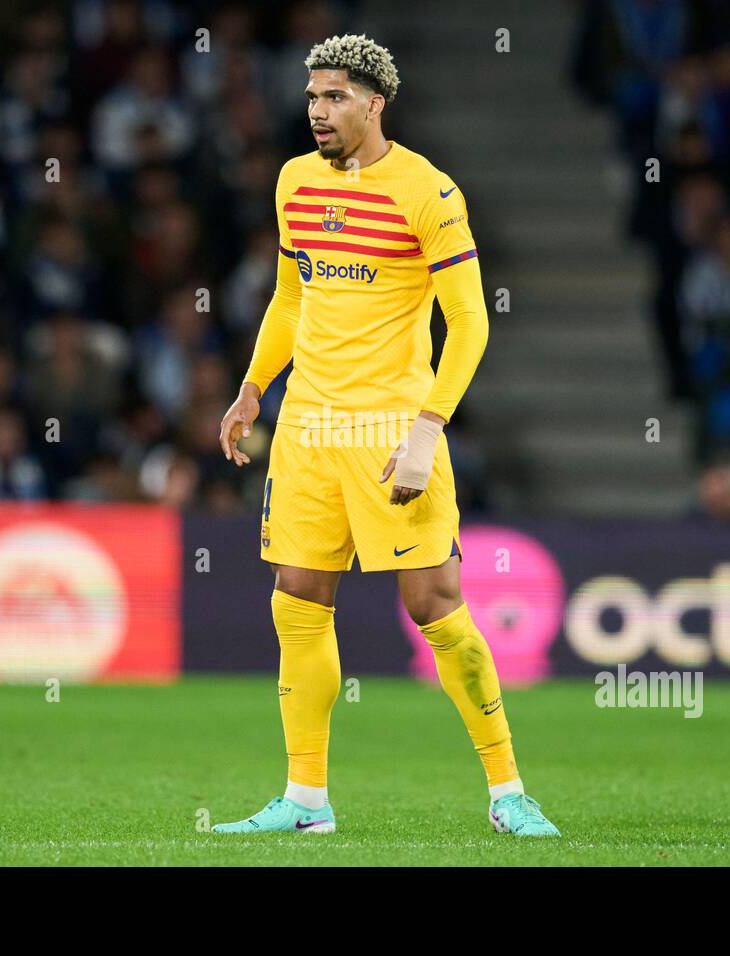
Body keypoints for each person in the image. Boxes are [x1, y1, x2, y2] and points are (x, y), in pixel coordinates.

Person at [214, 34, 559, 837]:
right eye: (310, 98)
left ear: (375, 101)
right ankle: (305, 802)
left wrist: (427, 428)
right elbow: (291, 300)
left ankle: (508, 791)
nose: (317, 112)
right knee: (296, 601)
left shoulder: (429, 192)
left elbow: (469, 321)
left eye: (334, 97)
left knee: (435, 607)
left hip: (389, 429)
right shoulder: (294, 181)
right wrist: (251, 389)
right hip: (305, 430)